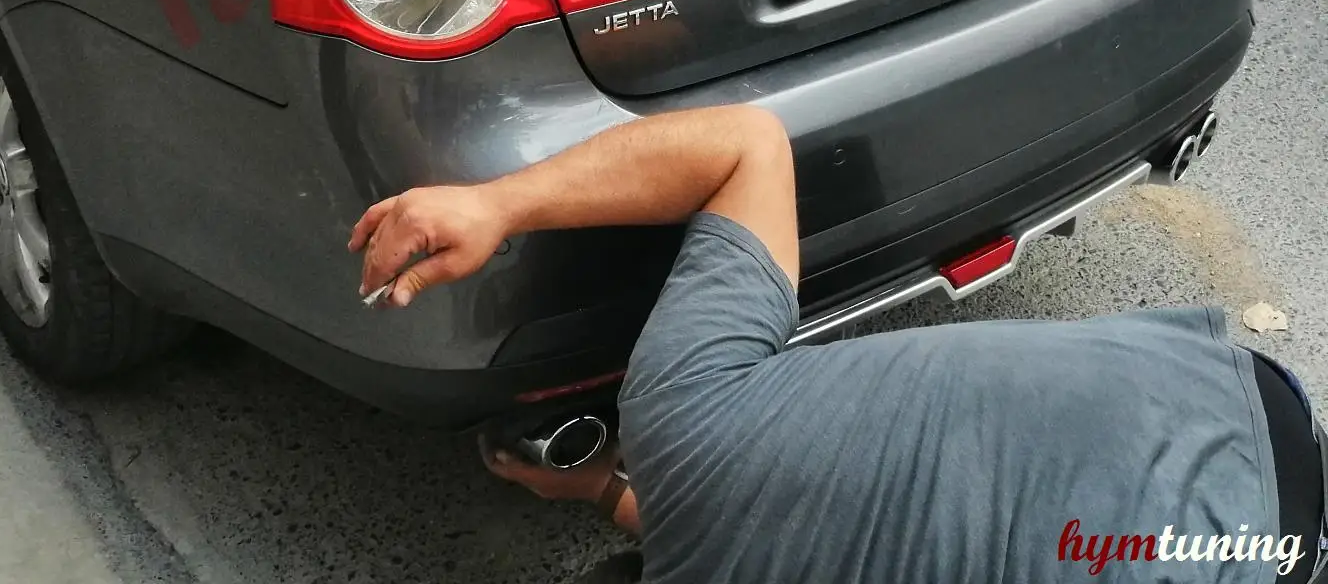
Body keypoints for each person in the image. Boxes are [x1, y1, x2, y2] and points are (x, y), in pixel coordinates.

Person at [351, 105, 1328, 583]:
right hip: (1220, 392)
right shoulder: (689, 430)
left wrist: (608, 496)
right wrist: (495, 202)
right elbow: (746, 145)